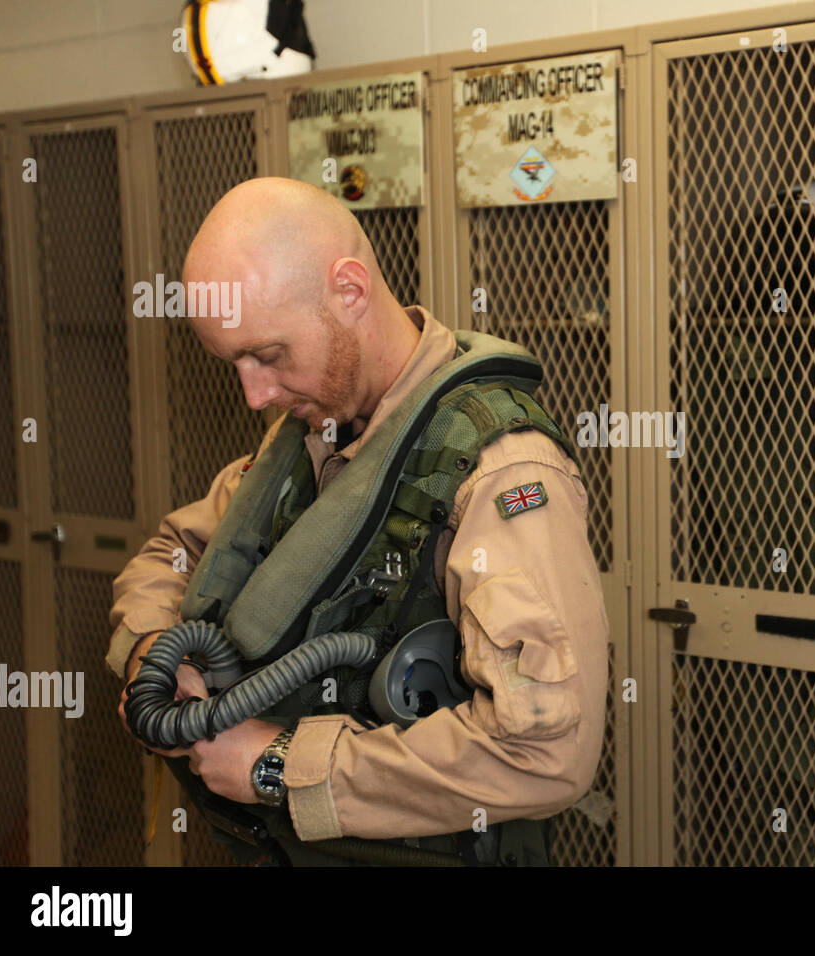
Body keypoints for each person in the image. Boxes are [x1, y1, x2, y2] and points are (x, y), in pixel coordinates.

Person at [106, 176, 609, 865]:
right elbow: (176, 549)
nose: (255, 395)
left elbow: (547, 752)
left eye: (269, 355)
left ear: (349, 291)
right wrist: (155, 657)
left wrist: (281, 764)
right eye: (235, 363)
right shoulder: (314, 432)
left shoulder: (501, 473)